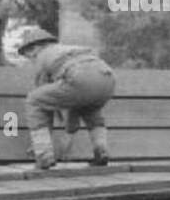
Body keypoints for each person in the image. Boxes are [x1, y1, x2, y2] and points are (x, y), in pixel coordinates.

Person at [15, 26, 116, 170]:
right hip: (107, 79)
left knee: (34, 100)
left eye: (28, 54)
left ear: (35, 48)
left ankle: (44, 156)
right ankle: (101, 151)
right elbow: (67, 100)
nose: (30, 58)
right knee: (90, 109)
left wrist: (40, 144)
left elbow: (43, 103)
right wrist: (69, 129)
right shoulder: (67, 49)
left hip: (80, 78)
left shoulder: (42, 56)